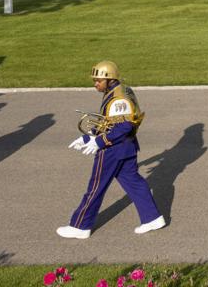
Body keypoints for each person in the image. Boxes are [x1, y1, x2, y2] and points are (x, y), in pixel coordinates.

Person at [57, 61, 165, 240]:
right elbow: (109, 122)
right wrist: (87, 137)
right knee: (134, 182)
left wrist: (99, 142)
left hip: (113, 149)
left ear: (109, 79)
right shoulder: (118, 90)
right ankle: (152, 217)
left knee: (95, 187)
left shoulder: (118, 98)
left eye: (98, 81)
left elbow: (124, 126)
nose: (95, 84)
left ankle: (80, 226)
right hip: (127, 147)